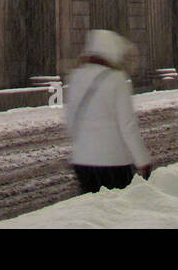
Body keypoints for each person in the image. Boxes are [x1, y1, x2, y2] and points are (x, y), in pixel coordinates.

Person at [64, 29, 151, 193]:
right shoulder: (117, 79)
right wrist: (142, 160)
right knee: (117, 211)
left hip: (83, 161)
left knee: (93, 212)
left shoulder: (76, 77)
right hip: (113, 161)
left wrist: (84, 145)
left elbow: (69, 120)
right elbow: (127, 126)